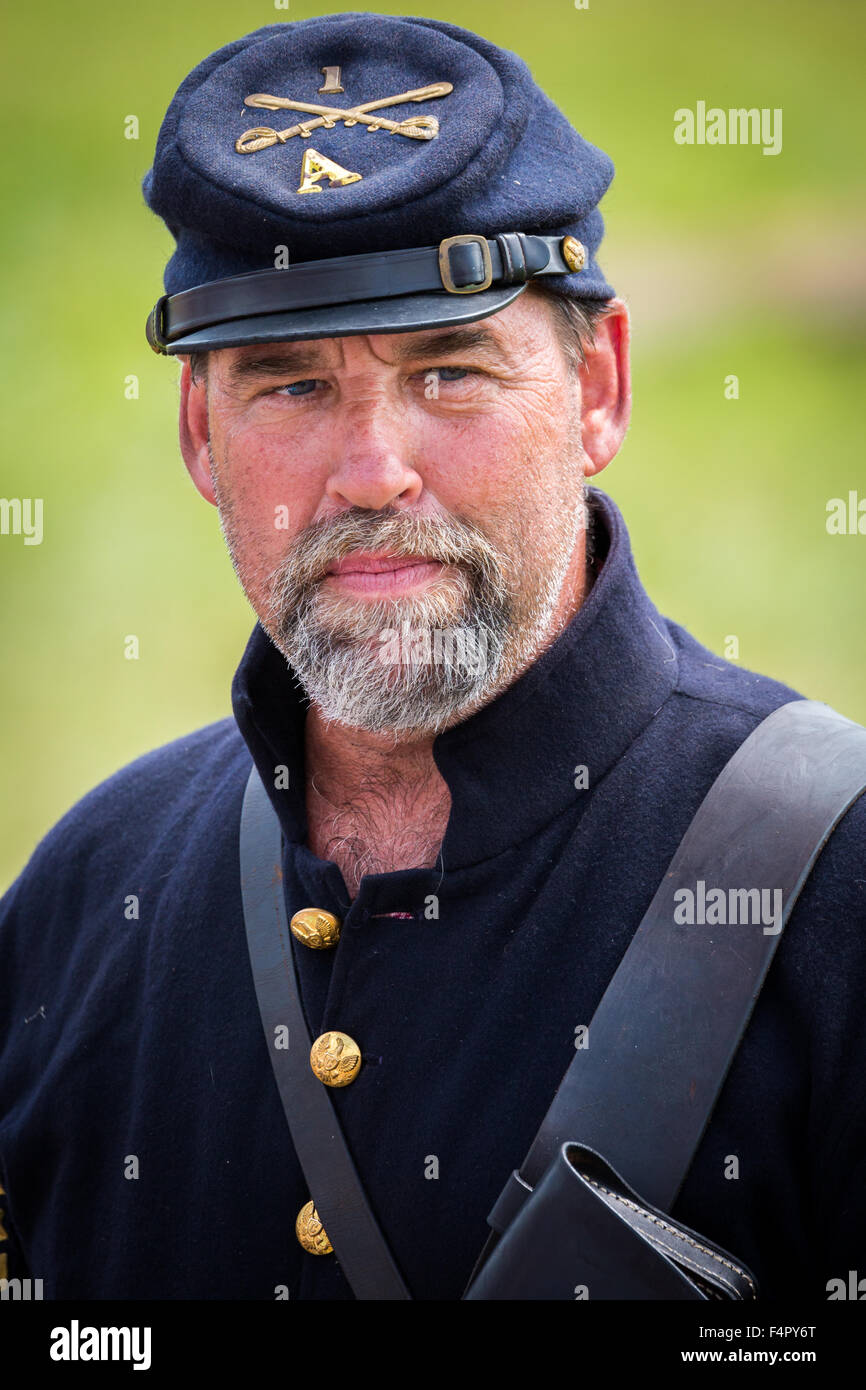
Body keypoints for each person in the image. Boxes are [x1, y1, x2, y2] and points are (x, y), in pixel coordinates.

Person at [0, 12, 863, 1302]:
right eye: (289, 387)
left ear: (598, 389)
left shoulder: (842, 892)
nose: (373, 474)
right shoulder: (84, 889)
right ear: (199, 435)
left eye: (451, 371)